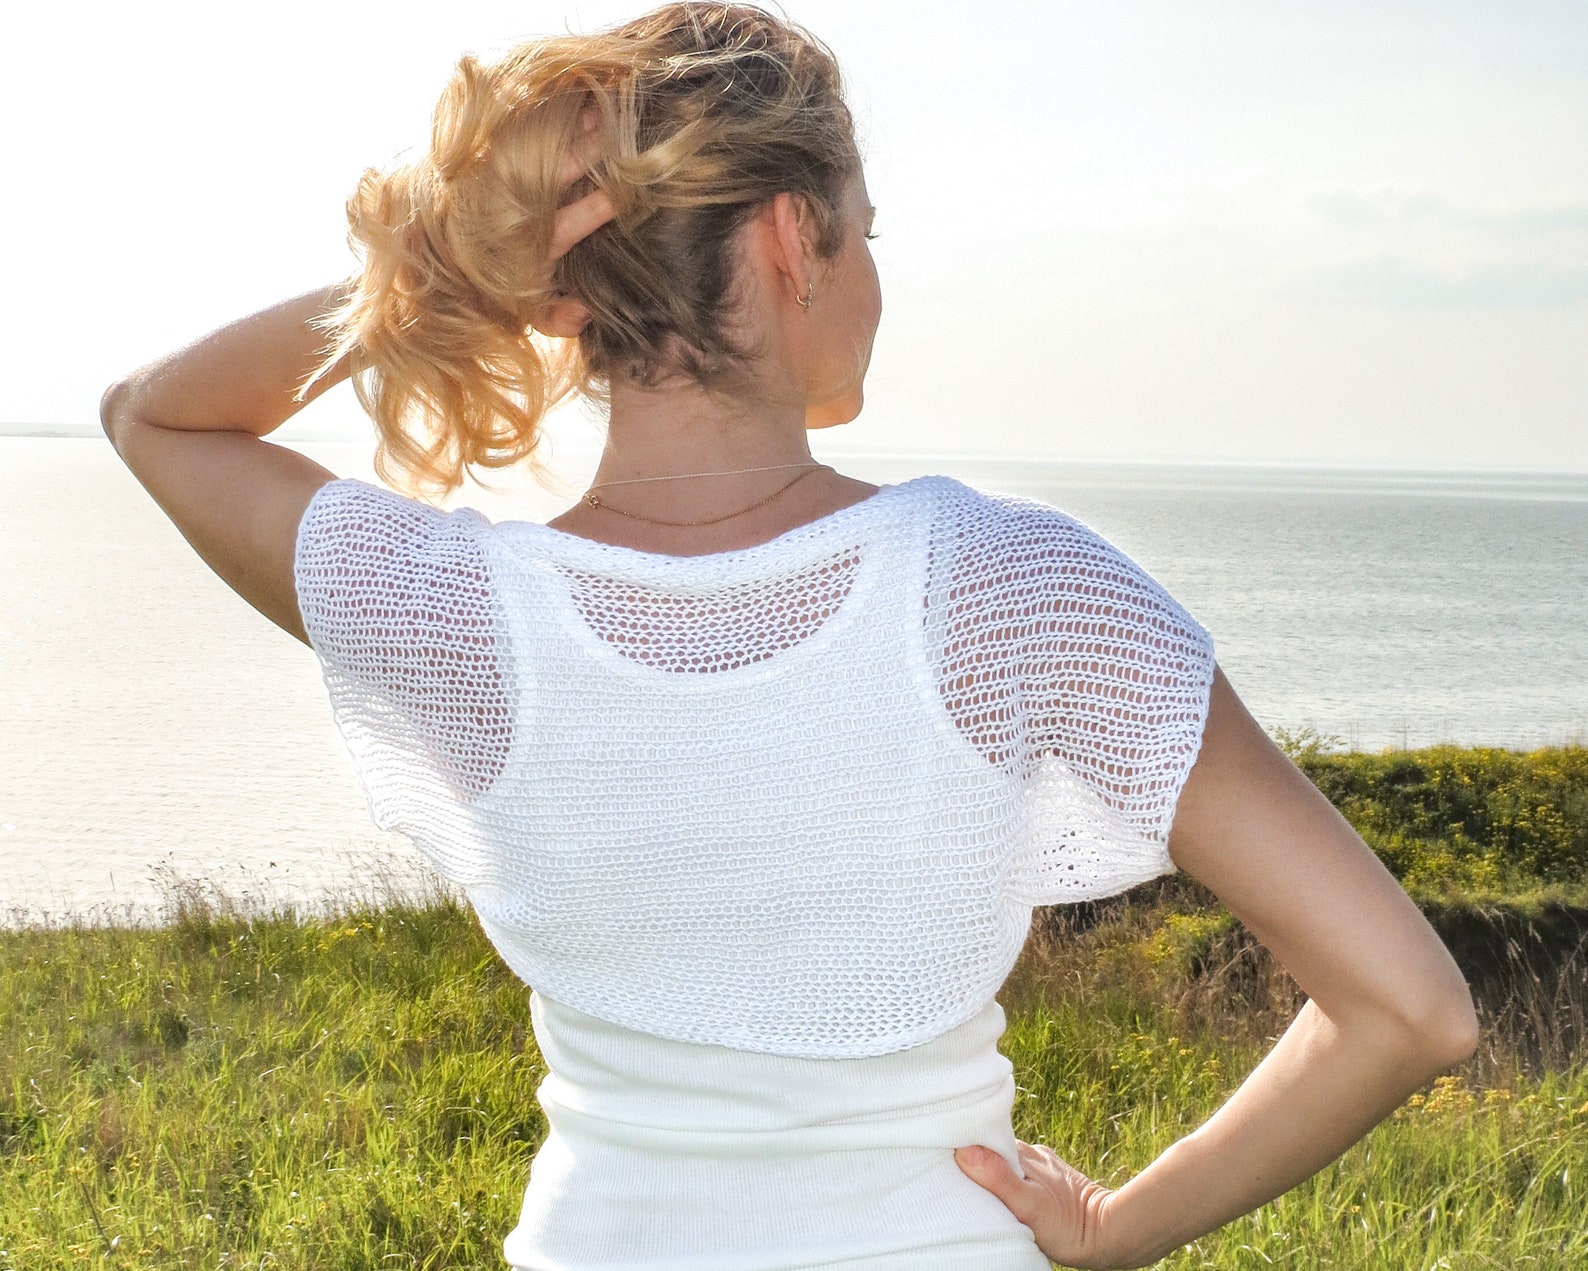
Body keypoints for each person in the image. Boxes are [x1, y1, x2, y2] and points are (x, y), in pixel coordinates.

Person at [100, 4, 1478, 1267]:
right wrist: (1113, 1228)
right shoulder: (1014, 587)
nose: (871, 269)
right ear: (787, 239)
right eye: (862, 230)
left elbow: (154, 416)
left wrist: (459, 273)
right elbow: (1411, 1011)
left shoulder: (456, 612)